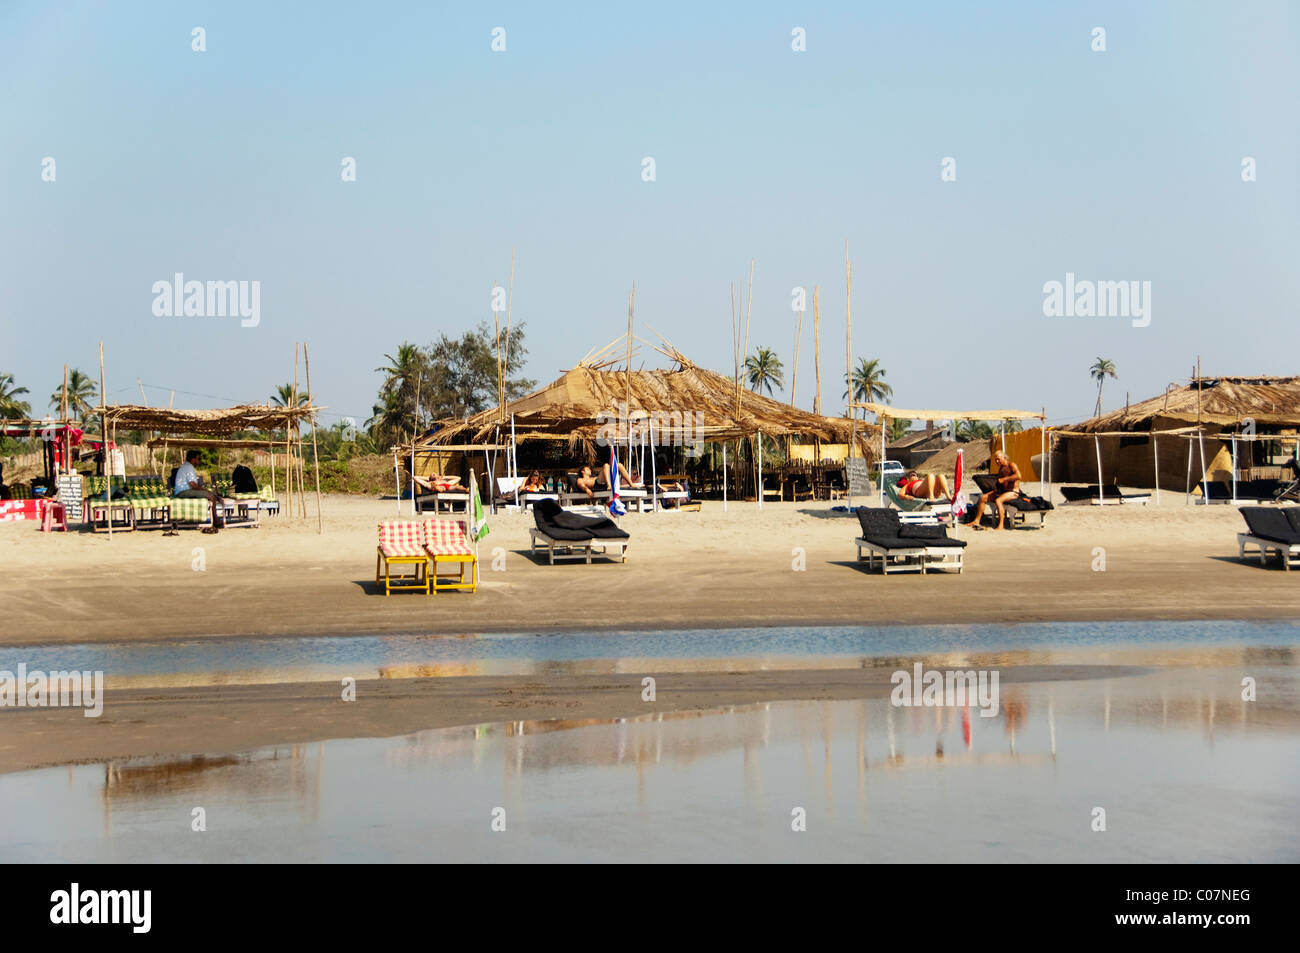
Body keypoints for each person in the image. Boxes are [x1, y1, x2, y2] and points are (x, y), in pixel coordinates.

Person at [966, 450, 1022, 530]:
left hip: (1012, 492)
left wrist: (1004, 479)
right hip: (1002, 491)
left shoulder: (1011, 465)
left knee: (998, 500)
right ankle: (977, 520)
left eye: (998, 459)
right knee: (983, 498)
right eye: (996, 459)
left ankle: (1001, 524)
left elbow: (1018, 476)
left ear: (1004, 457)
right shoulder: (1001, 468)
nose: (997, 461)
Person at [173, 449, 225, 533]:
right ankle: (216, 521)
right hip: (183, 492)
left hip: (183, 491)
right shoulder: (189, 467)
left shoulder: (186, 466)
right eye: (198, 459)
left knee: (209, 494)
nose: (199, 461)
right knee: (210, 495)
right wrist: (206, 490)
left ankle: (215, 519)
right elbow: (193, 485)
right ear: (193, 459)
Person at [575, 459, 642, 499]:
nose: (590, 470)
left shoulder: (592, 477)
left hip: (603, 483)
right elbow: (581, 485)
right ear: (582, 471)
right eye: (587, 469)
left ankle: (631, 484)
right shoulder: (580, 479)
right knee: (606, 465)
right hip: (598, 484)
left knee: (619, 465)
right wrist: (587, 490)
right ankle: (609, 485)